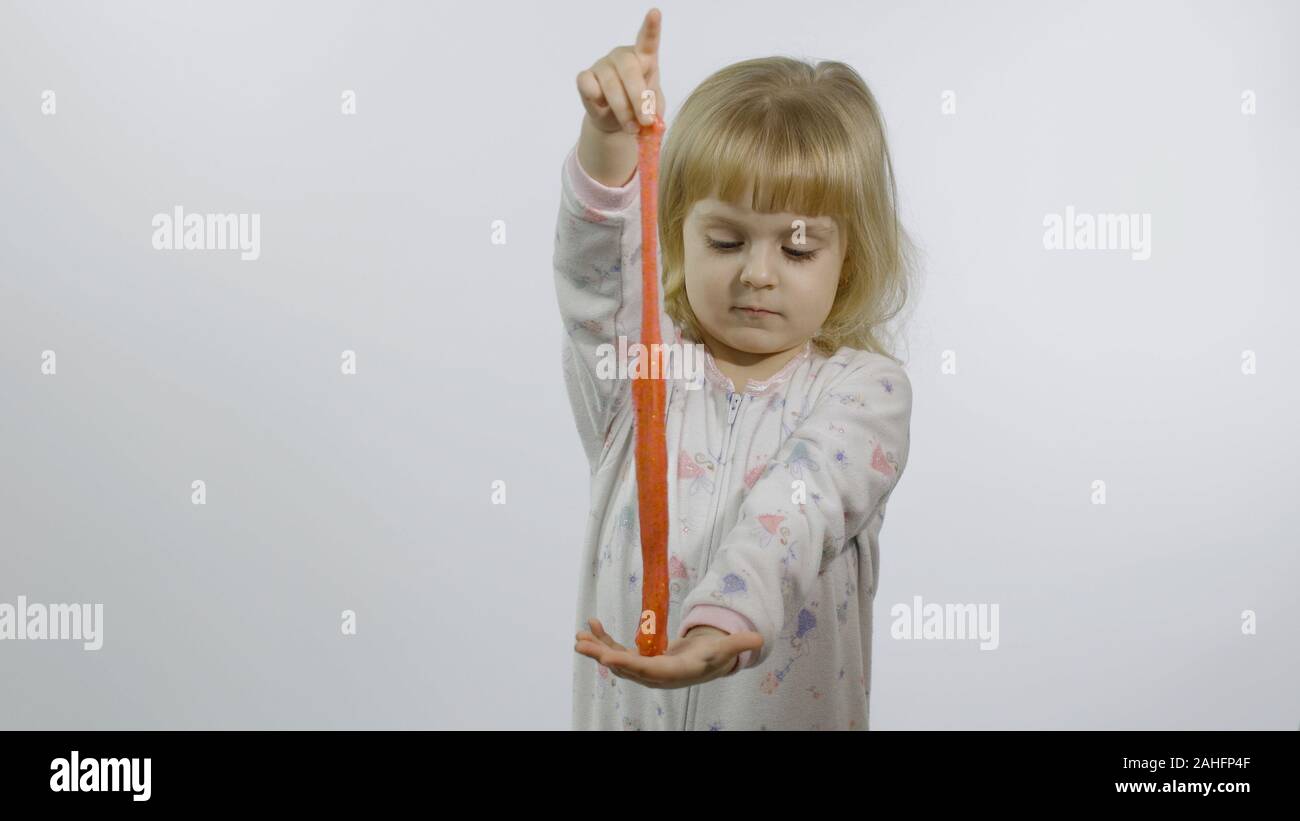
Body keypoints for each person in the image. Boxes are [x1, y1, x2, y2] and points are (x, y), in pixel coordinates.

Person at [559, 7, 915, 730]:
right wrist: (609, 135)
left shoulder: (864, 394)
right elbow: (596, 278)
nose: (757, 273)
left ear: (848, 259)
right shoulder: (637, 379)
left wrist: (719, 626)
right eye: (725, 240)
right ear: (678, 236)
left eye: (797, 248)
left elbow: (793, 513)